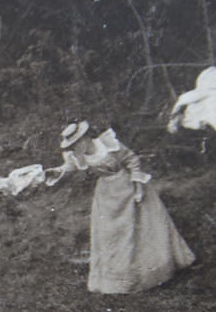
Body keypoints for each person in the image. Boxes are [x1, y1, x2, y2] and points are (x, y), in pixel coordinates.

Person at [45, 121, 195, 293]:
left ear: (85, 138)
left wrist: (138, 188)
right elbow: (67, 169)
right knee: (112, 235)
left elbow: (132, 159)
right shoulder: (77, 157)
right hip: (106, 196)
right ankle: (119, 281)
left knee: (138, 230)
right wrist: (51, 173)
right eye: (72, 145)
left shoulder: (108, 144)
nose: (75, 147)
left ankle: (152, 274)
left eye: (77, 143)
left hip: (126, 188)